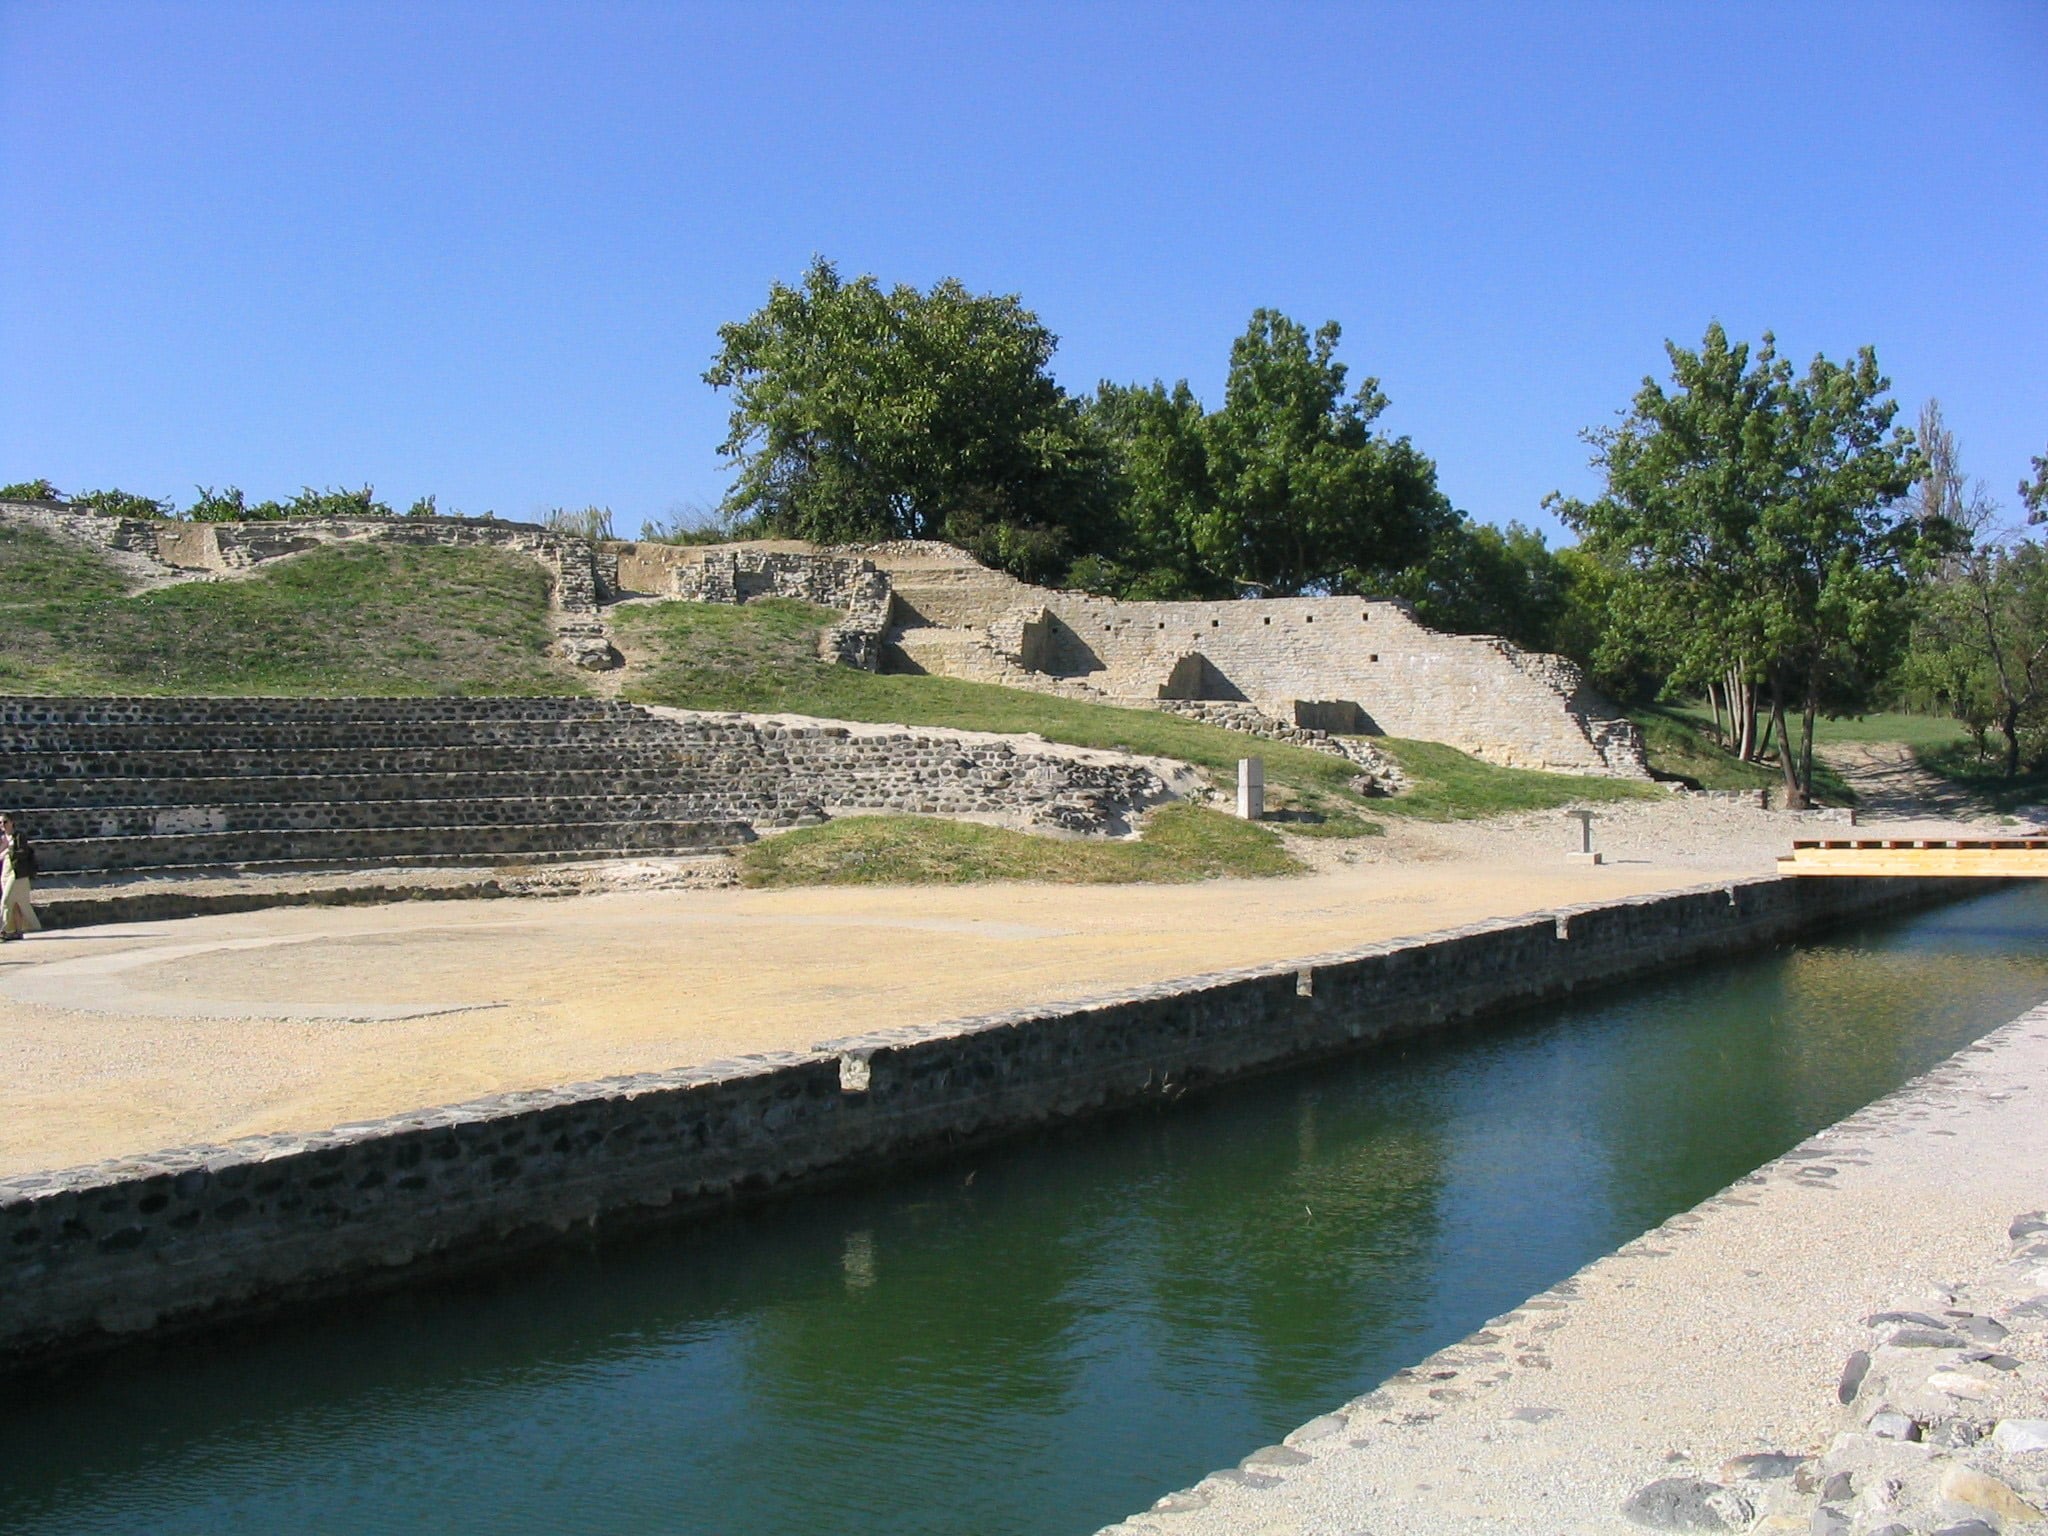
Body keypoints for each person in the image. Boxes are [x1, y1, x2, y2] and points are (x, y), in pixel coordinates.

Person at [1, 812, 40, 941]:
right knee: (15, 903)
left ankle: (3, 929)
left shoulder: (18, 837)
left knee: (6, 901)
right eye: (0, 823)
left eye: (5, 822)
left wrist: (9, 850)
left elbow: (23, 853)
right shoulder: (2, 838)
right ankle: (17, 931)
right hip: (5, 873)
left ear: (11, 822)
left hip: (16, 872)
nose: (2, 825)